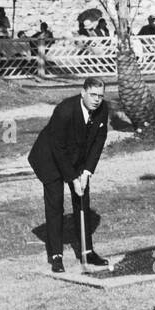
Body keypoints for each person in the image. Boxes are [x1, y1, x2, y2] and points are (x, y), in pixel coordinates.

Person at [27, 77, 111, 273]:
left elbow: (98, 141)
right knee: (55, 204)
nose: (97, 99)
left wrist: (87, 172)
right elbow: (58, 147)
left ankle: (87, 251)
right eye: (93, 95)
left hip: (77, 157)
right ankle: (56, 256)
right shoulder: (64, 110)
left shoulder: (103, 109)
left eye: (100, 95)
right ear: (83, 93)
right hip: (50, 157)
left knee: (82, 200)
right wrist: (72, 178)